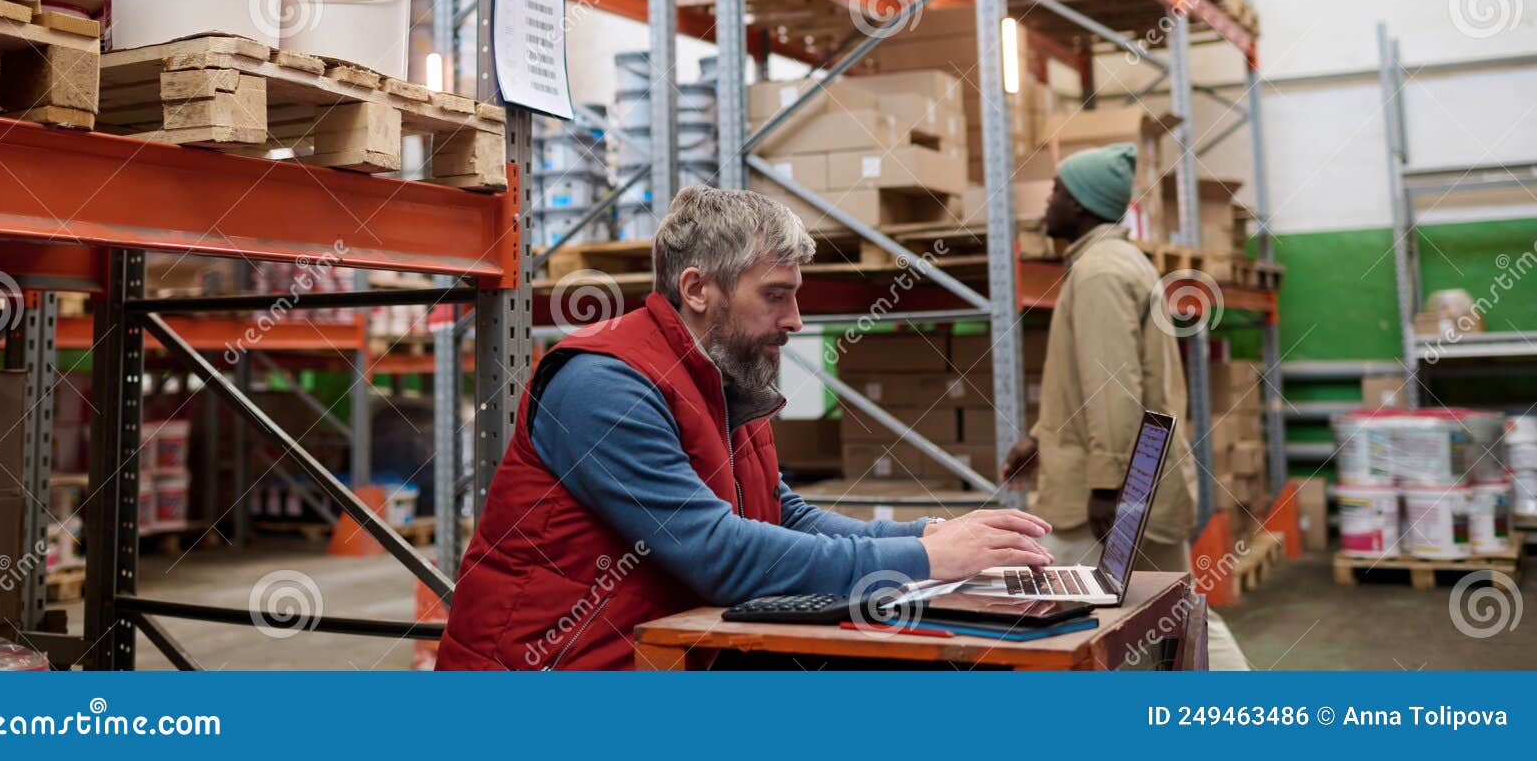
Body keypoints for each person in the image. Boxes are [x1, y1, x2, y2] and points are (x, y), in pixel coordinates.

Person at [436, 185, 1056, 670]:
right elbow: (716, 553)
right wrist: (921, 558)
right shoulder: (604, 384)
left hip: (664, 654)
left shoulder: (722, 375)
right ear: (697, 289)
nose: (795, 320)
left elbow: (782, 515)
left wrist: (930, 534)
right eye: (776, 295)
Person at [1000, 142, 1252, 670]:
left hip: (1107, 496)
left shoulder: (1100, 274)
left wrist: (1107, 487)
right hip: (1140, 478)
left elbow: (1112, 389)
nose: (1047, 202)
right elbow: (1091, 385)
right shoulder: (1114, 263)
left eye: (1057, 191)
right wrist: (1040, 439)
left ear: (1081, 204)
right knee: (1177, 615)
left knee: (1064, 628)